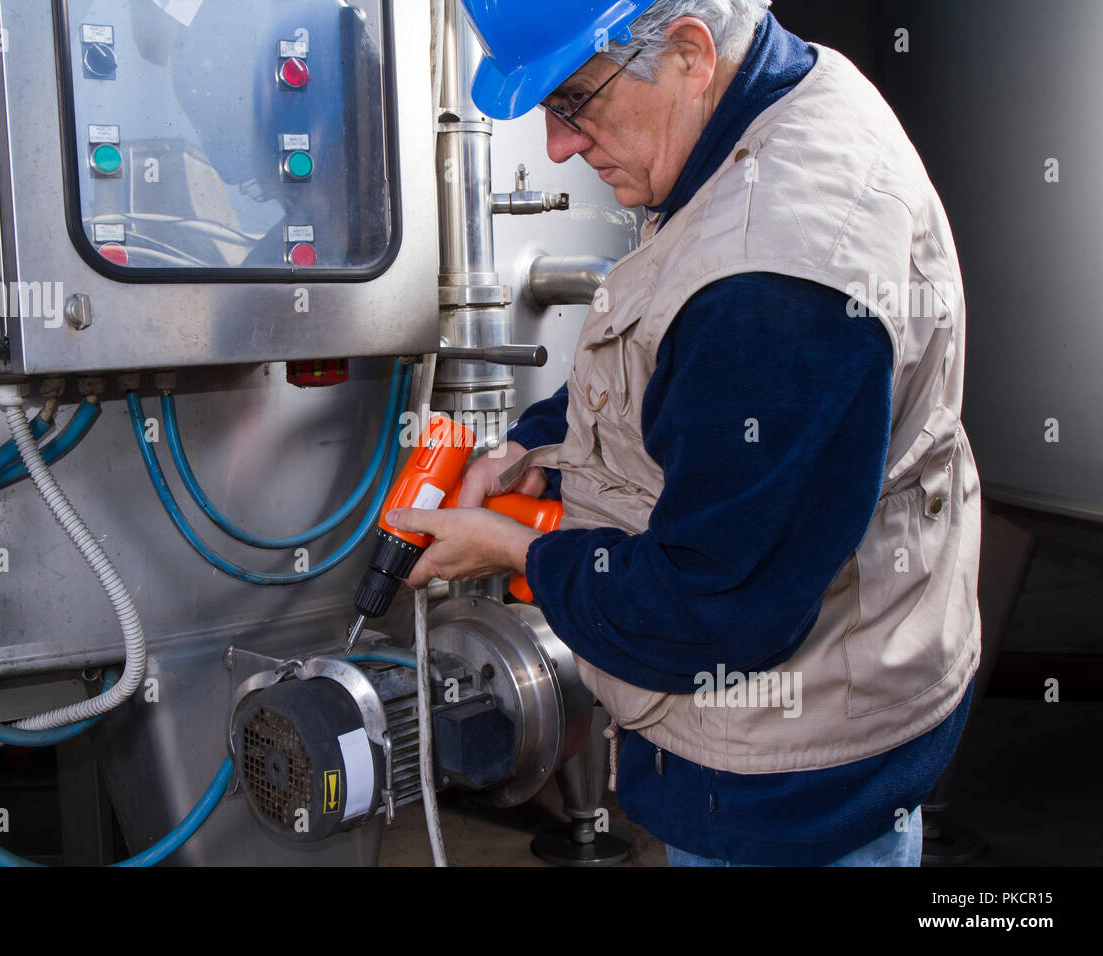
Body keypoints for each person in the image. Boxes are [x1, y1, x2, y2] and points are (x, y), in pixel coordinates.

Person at [386, 0, 981, 866]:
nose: (557, 146)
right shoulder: (783, 96)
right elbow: (673, 366)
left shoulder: (774, 285)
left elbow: (712, 612)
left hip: (786, 779)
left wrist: (515, 552)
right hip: (857, 693)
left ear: (691, 53)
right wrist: (533, 447)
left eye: (573, 104)